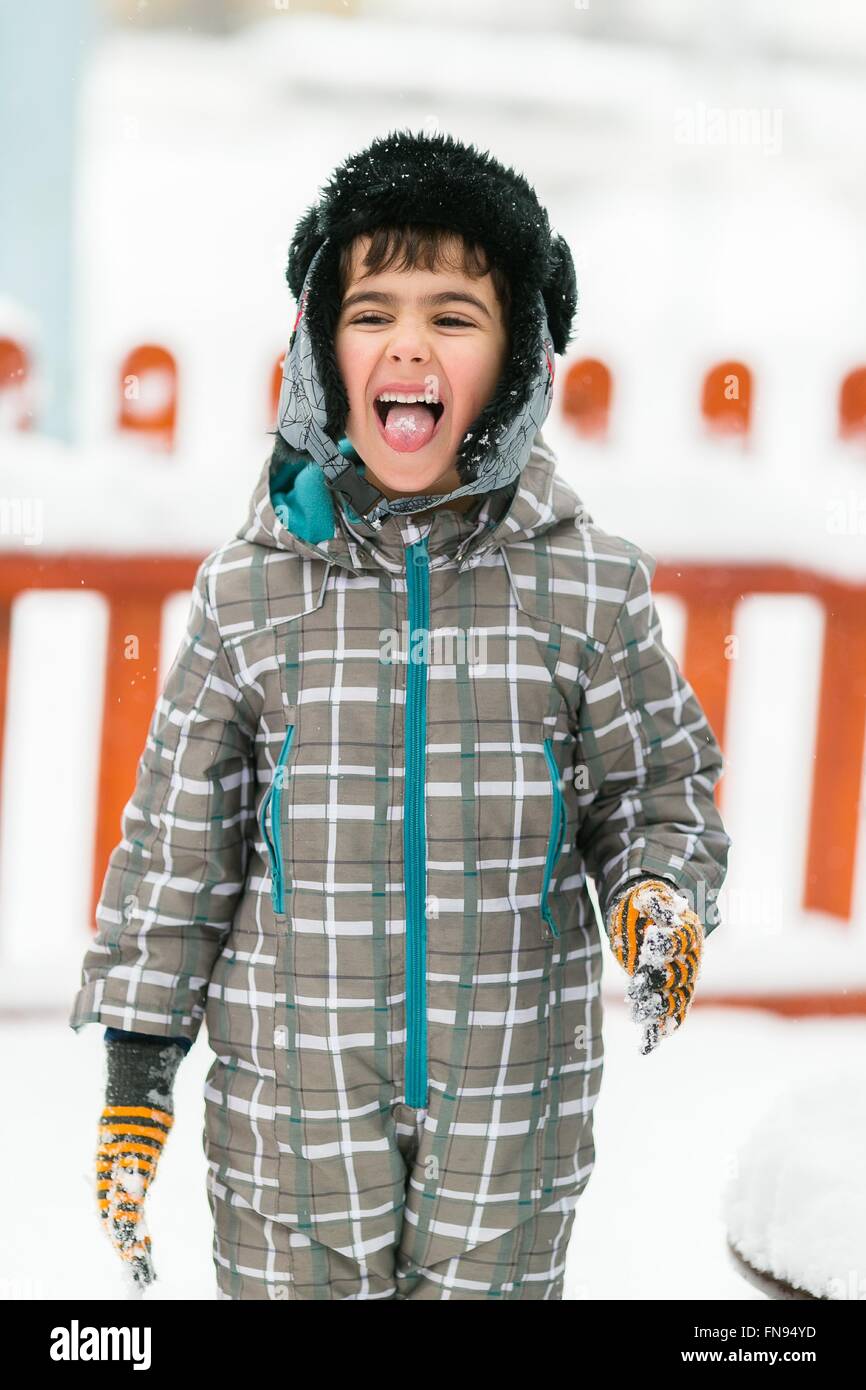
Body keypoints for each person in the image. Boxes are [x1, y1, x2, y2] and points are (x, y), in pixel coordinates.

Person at [70, 129, 732, 1301]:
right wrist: (138, 1065)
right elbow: (179, 846)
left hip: (513, 1110)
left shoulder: (586, 585)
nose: (408, 342)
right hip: (289, 1114)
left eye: (455, 316)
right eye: (371, 311)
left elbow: (654, 787)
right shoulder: (254, 588)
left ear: (519, 359)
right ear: (323, 349)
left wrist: (653, 888)